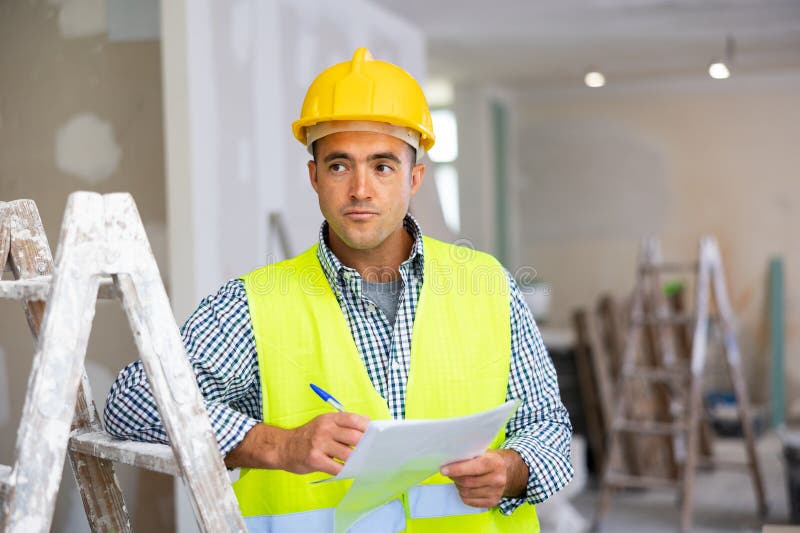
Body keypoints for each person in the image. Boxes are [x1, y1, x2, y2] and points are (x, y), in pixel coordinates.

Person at [105, 47, 573, 532]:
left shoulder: (489, 286)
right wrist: (277, 445)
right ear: (314, 176)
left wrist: (512, 470)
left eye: (383, 166)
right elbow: (131, 401)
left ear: (414, 178)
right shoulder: (253, 304)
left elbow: (549, 429)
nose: (361, 190)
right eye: (338, 165)